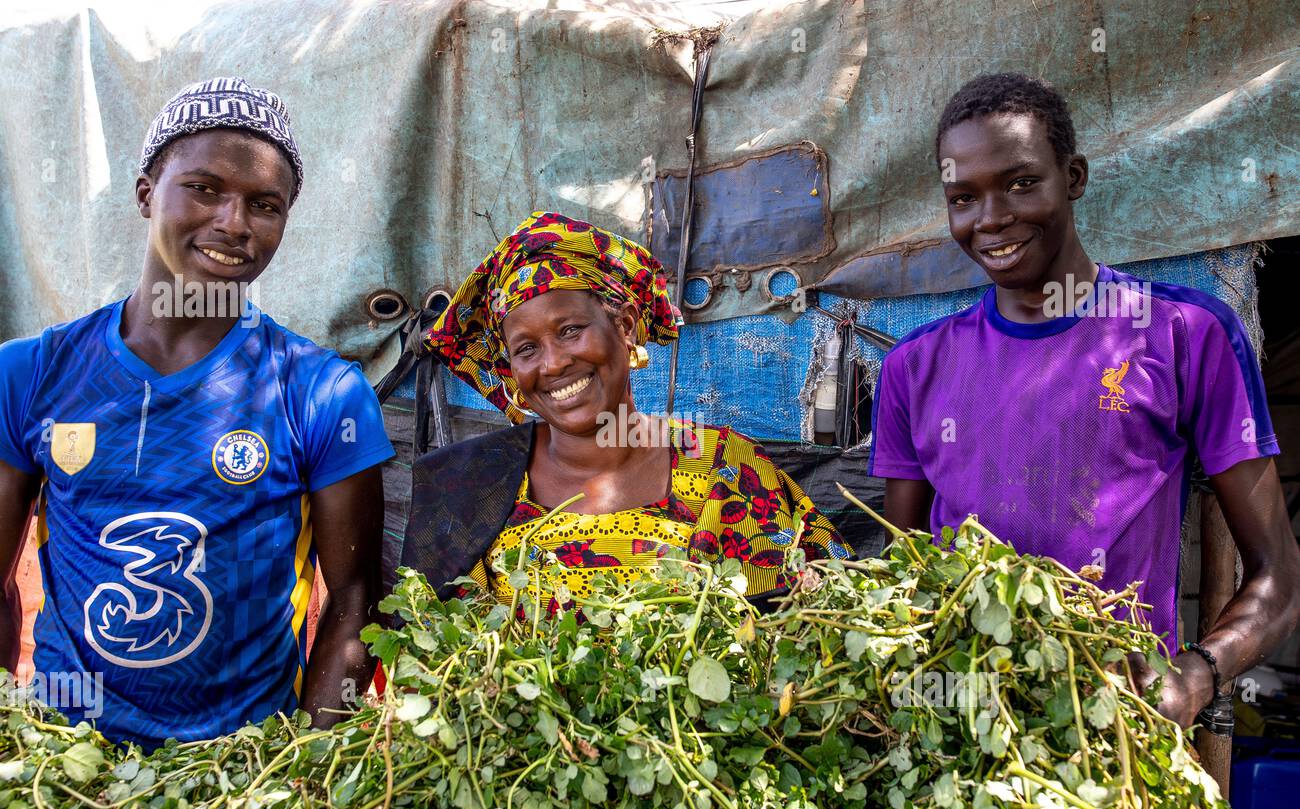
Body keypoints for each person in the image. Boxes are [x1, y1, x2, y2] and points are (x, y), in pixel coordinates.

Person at [868, 73, 1300, 728]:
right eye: (963, 197)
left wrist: (1200, 672)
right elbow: (901, 582)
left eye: (1019, 183)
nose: (990, 218)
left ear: (1073, 177)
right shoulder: (914, 369)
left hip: (1114, 741)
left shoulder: (1185, 335)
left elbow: (1279, 578)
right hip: (954, 742)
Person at [0, 78, 395, 750]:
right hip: (61, 763)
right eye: (205, 188)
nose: (234, 223)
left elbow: (353, 607)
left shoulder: (321, 393)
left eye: (264, 204)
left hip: (236, 780)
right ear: (146, 192)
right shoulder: (31, 374)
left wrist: (302, 783)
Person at [402, 211, 850, 615]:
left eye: (571, 330)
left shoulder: (723, 465)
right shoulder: (466, 484)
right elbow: (427, 657)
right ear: (512, 370)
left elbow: (805, 626)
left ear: (625, 326)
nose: (553, 363)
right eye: (526, 349)